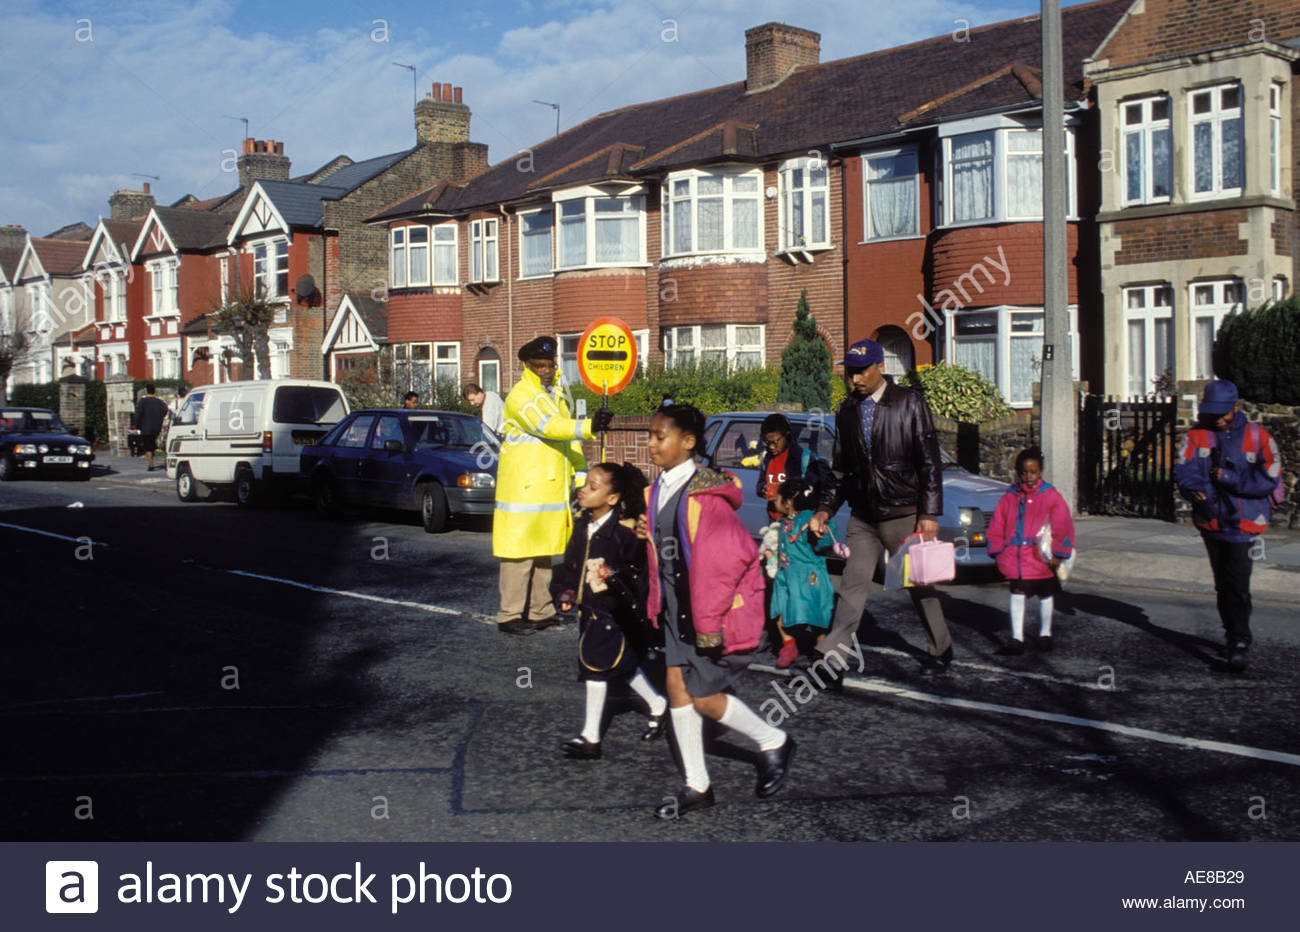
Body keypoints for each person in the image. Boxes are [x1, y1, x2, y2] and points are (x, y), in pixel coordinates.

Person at [639, 403, 795, 819]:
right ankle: (698, 785)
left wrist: (708, 624)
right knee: (675, 687)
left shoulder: (706, 495)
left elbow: (725, 562)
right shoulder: (659, 488)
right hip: (677, 608)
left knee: (704, 698)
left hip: (709, 611)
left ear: (688, 442)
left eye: (660, 435)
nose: (651, 442)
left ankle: (773, 740)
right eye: (651, 434)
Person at [808, 338, 951, 679]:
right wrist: (824, 509)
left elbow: (929, 462)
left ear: (879, 368)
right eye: (850, 373)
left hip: (904, 513)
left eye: (861, 372)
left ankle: (941, 647)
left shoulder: (910, 403)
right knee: (853, 586)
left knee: (920, 585)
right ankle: (834, 658)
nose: (854, 379)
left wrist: (928, 514)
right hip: (863, 517)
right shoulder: (846, 411)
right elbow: (840, 470)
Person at [493, 336, 614, 635]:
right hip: (522, 493)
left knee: (544, 555)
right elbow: (547, 426)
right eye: (540, 365)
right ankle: (509, 616)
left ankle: (540, 611)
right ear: (528, 367)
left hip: (547, 492)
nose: (546, 370)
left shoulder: (554, 395)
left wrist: (581, 479)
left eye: (550, 364)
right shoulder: (521, 397)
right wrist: (588, 426)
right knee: (519, 556)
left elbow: (568, 441)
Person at [552, 462, 668, 759]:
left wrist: (613, 577)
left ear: (612, 499)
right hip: (589, 611)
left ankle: (590, 738)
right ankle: (658, 705)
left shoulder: (623, 535)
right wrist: (565, 590)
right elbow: (570, 567)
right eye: (585, 484)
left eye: (593, 487)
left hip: (612, 614)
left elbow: (638, 576)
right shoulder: (582, 526)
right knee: (622, 666)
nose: (583, 490)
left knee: (595, 667)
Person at [1175, 380, 1283, 672]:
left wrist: (1229, 478)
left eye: (1224, 412)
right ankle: (1232, 634)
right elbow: (1183, 468)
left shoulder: (1258, 437)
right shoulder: (1197, 436)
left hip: (1243, 524)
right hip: (1210, 521)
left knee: (1236, 583)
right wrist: (1192, 487)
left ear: (1236, 407)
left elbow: (1269, 479)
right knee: (1223, 584)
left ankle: (1239, 641)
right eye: (1214, 413)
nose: (1219, 418)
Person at [986, 447, 1075, 655]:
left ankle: (1045, 634)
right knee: (1017, 592)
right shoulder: (1010, 496)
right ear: (1019, 473)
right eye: (1024, 473)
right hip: (1016, 557)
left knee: (1045, 594)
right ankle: (1017, 639)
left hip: (1040, 558)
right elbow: (998, 523)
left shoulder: (1051, 496)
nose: (1029, 477)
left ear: (1040, 472)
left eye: (1033, 472)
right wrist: (997, 548)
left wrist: (1058, 553)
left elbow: (1063, 525)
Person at [769, 478, 847, 668]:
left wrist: (822, 530)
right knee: (780, 614)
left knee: (816, 614)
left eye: (778, 497)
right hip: (786, 575)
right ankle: (788, 645)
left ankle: (821, 646)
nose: (773, 499)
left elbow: (827, 536)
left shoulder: (808, 519)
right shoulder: (785, 521)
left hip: (809, 576)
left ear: (789, 501)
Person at [754, 413, 827, 522]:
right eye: (767, 442)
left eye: (775, 441)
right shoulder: (768, 458)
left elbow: (815, 492)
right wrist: (762, 489)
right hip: (774, 520)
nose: (771, 446)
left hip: (797, 521)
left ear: (786, 435)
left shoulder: (802, 457)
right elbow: (760, 484)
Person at [131, 383, 169, 472]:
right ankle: (161, 458)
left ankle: (151, 463)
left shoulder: (143, 402)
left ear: (146, 391)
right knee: (153, 443)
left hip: (146, 427)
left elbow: (138, 415)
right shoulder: (160, 402)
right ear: (154, 391)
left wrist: (135, 427)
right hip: (157, 427)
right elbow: (165, 410)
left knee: (148, 446)